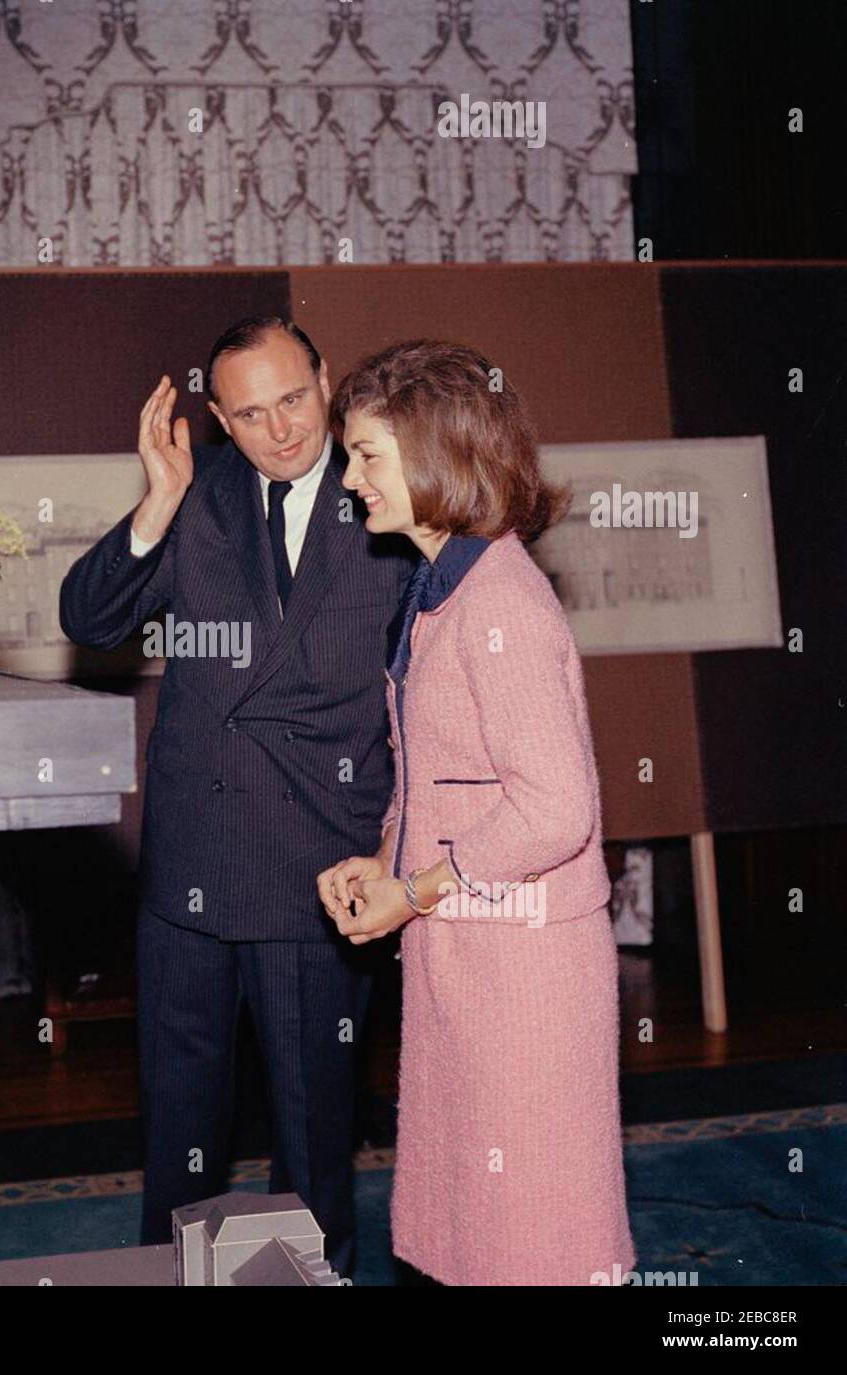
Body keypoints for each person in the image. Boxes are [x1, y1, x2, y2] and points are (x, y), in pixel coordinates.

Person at [60, 318, 415, 1274]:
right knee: (179, 1134)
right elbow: (86, 616)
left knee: (311, 1142)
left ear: (326, 381)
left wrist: (396, 852)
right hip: (189, 869)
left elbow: (424, 703)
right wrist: (158, 497)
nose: (282, 430)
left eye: (294, 399)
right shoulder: (199, 497)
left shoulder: (385, 500)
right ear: (218, 419)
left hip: (317, 869)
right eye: (250, 413)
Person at [318, 339, 636, 1286]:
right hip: (467, 954)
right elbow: (442, 779)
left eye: (368, 456)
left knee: (535, 1233)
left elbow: (555, 809)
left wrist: (412, 891)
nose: (349, 478)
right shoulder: (435, 592)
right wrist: (383, 860)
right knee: (475, 1230)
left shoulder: (505, 603)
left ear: (439, 457)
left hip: (525, 973)